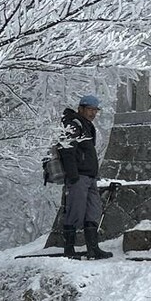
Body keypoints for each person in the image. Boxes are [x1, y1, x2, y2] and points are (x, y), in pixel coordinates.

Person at [57, 94, 112, 260]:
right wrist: (72, 175)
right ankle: (69, 249)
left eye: (95, 110)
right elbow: (67, 149)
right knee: (75, 211)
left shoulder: (85, 125)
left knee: (93, 211)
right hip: (78, 176)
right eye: (90, 109)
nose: (93, 113)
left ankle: (93, 248)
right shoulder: (73, 124)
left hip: (89, 176)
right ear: (81, 108)